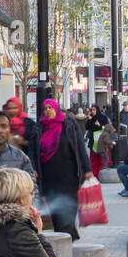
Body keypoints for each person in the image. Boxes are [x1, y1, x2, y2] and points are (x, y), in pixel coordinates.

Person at [34, 98, 90, 240]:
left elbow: (80, 148)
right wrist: (33, 168)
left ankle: (67, 236)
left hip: (69, 176)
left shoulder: (69, 125)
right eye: (45, 108)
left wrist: (87, 168)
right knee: (56, 211)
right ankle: (66, 236)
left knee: (69, 208)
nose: (48, 111)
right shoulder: (39, 128)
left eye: (50, 108)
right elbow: (33, 151)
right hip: (48, 177)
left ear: (56, 109)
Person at [2, 96, 40, 168]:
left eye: (14, 108)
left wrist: (24, 142)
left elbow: (35, 145)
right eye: (9, 108)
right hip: (5, 161)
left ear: (19, 107)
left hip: (23, 161)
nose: (12, 111)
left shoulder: (28, 123)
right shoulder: (1, 122)